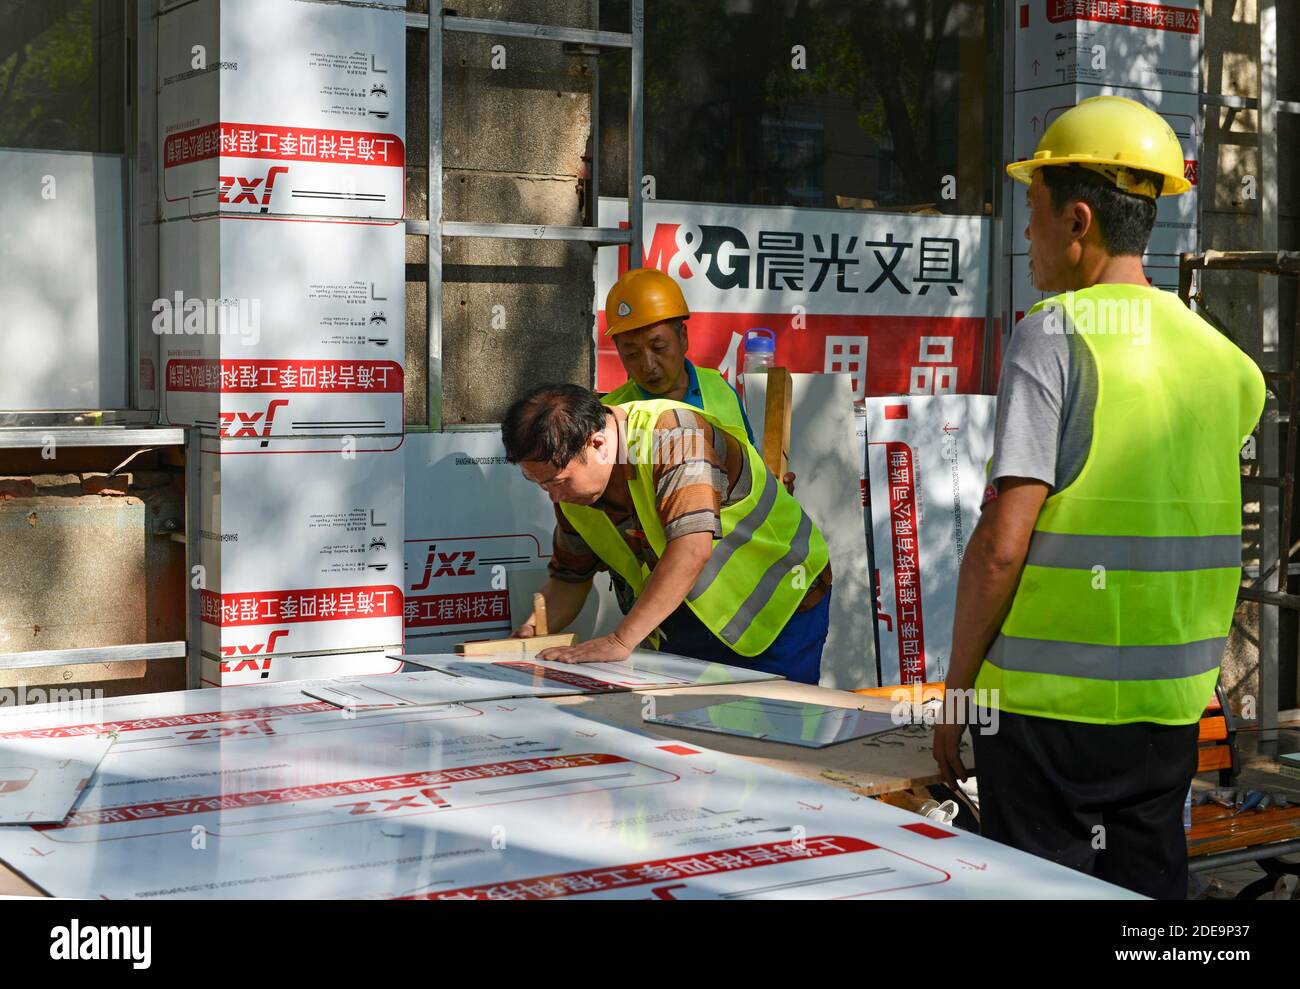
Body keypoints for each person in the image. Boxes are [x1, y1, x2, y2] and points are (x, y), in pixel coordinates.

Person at [931, 95, 1265, 899]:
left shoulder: (1054, 334)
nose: (1026, 233)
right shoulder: (1229, 365)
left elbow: (1004, 542)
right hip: (1169, 716)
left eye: (1033, 212)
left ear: (1078, 220)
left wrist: (956, 693)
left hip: (1049, 722)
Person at [501, 384, 832, 683]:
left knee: (781, 736)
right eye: (540, 484)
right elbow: (569, 579)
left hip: (781, 605)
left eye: (558, 483)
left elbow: (691, 549)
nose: (554, 497)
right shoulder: (571, 481)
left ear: (598, 443)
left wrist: (620, 641)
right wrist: (529, 635)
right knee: (694, 738)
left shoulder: (675, 435)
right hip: (686, 617)